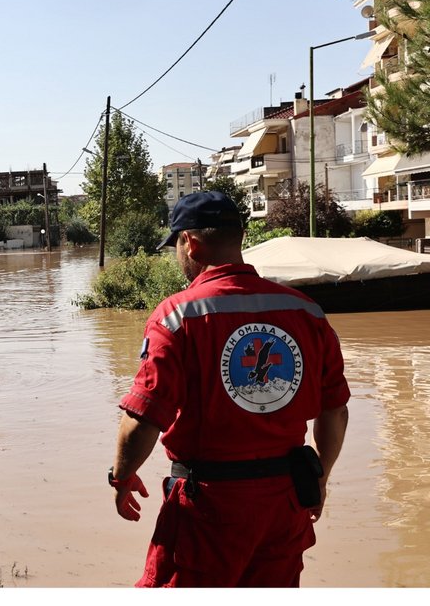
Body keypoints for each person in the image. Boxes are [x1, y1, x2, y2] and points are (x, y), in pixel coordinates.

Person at [110, 190, 350, 588]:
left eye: (176, 247)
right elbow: (335, 410)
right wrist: (320, 478)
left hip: (208, 507)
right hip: (285, 504)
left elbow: (144, 418)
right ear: (238, 237)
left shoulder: (178, 316)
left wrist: (122, 476)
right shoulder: (307, 311)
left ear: (190, 242)